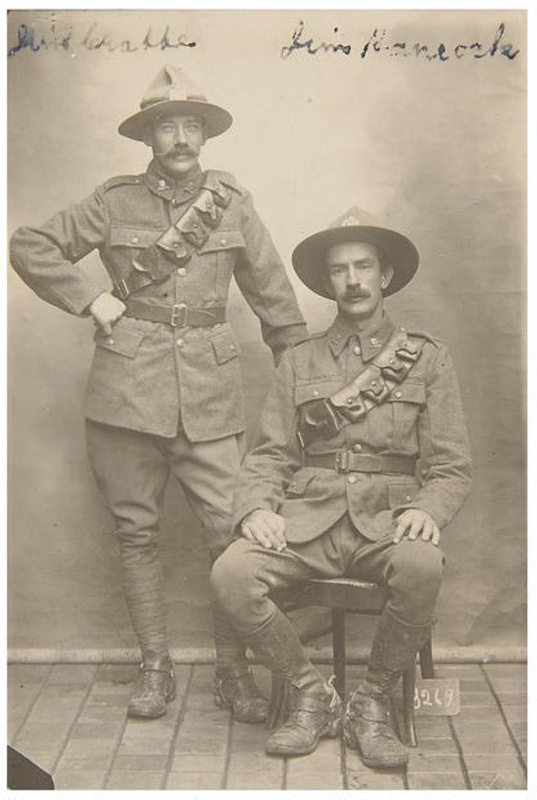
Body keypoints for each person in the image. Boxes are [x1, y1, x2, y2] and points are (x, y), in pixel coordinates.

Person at [10, 65, 307, 721]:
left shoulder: (233, 203)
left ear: (204, 134)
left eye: (190, 125)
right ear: (148, 136)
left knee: (231, 540)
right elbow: (29, 245)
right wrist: (90, 298)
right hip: (124, 396)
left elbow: (276, 302)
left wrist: (305, 387)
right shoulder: (115, 201)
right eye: (166, 125)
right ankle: (154, 670)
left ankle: (232, 676)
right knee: (136, 533)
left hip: (209, 396)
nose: (180, 136)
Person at [210, 208, 472, 765]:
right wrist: (257, 507)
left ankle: (370, 703)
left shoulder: (427, 358)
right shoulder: (299, 360)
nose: (352, 280)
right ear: (327, 283)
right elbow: (269, 453)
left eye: (363, 267)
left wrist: (428, 511)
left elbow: (450, 466)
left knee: (422, 566)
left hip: (387, 521)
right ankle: (313, 695)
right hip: (312, 520)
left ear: (385, 277)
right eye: (339, 270)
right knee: (232, 572)